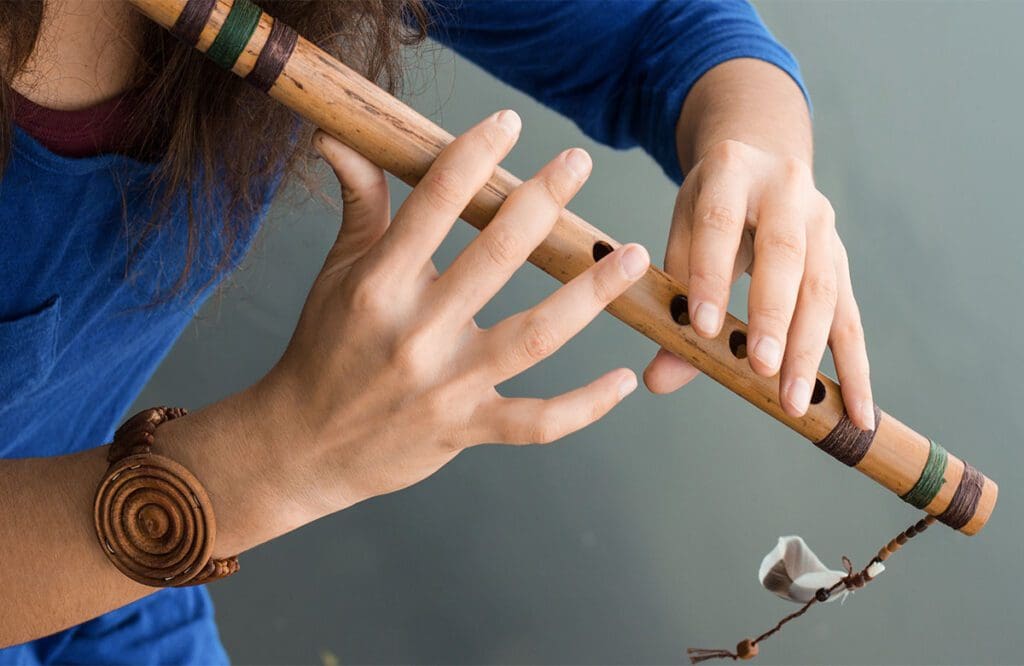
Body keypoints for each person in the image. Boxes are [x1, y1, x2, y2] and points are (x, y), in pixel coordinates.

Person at [0, 0, 873, 662]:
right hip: (114, 530)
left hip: (117, 541)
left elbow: (664, 28)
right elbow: (250, 472)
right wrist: (278, 456)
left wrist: (756, 147)